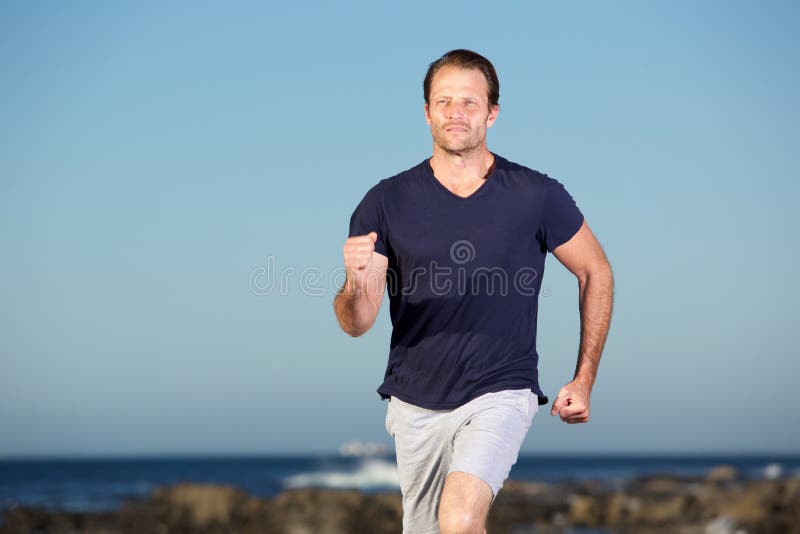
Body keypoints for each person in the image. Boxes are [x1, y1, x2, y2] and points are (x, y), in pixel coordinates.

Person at [333, 49, 614, 534]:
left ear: (492, 113)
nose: (455, 113)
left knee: (461, 520)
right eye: (444, 102)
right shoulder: (385, 202)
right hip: (415, 400)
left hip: (500, 387)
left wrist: (584, 378)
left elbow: (596, 272)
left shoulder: (536, 194)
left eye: (469, 102)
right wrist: (355, 283)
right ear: (426, 112)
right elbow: (357, 323)